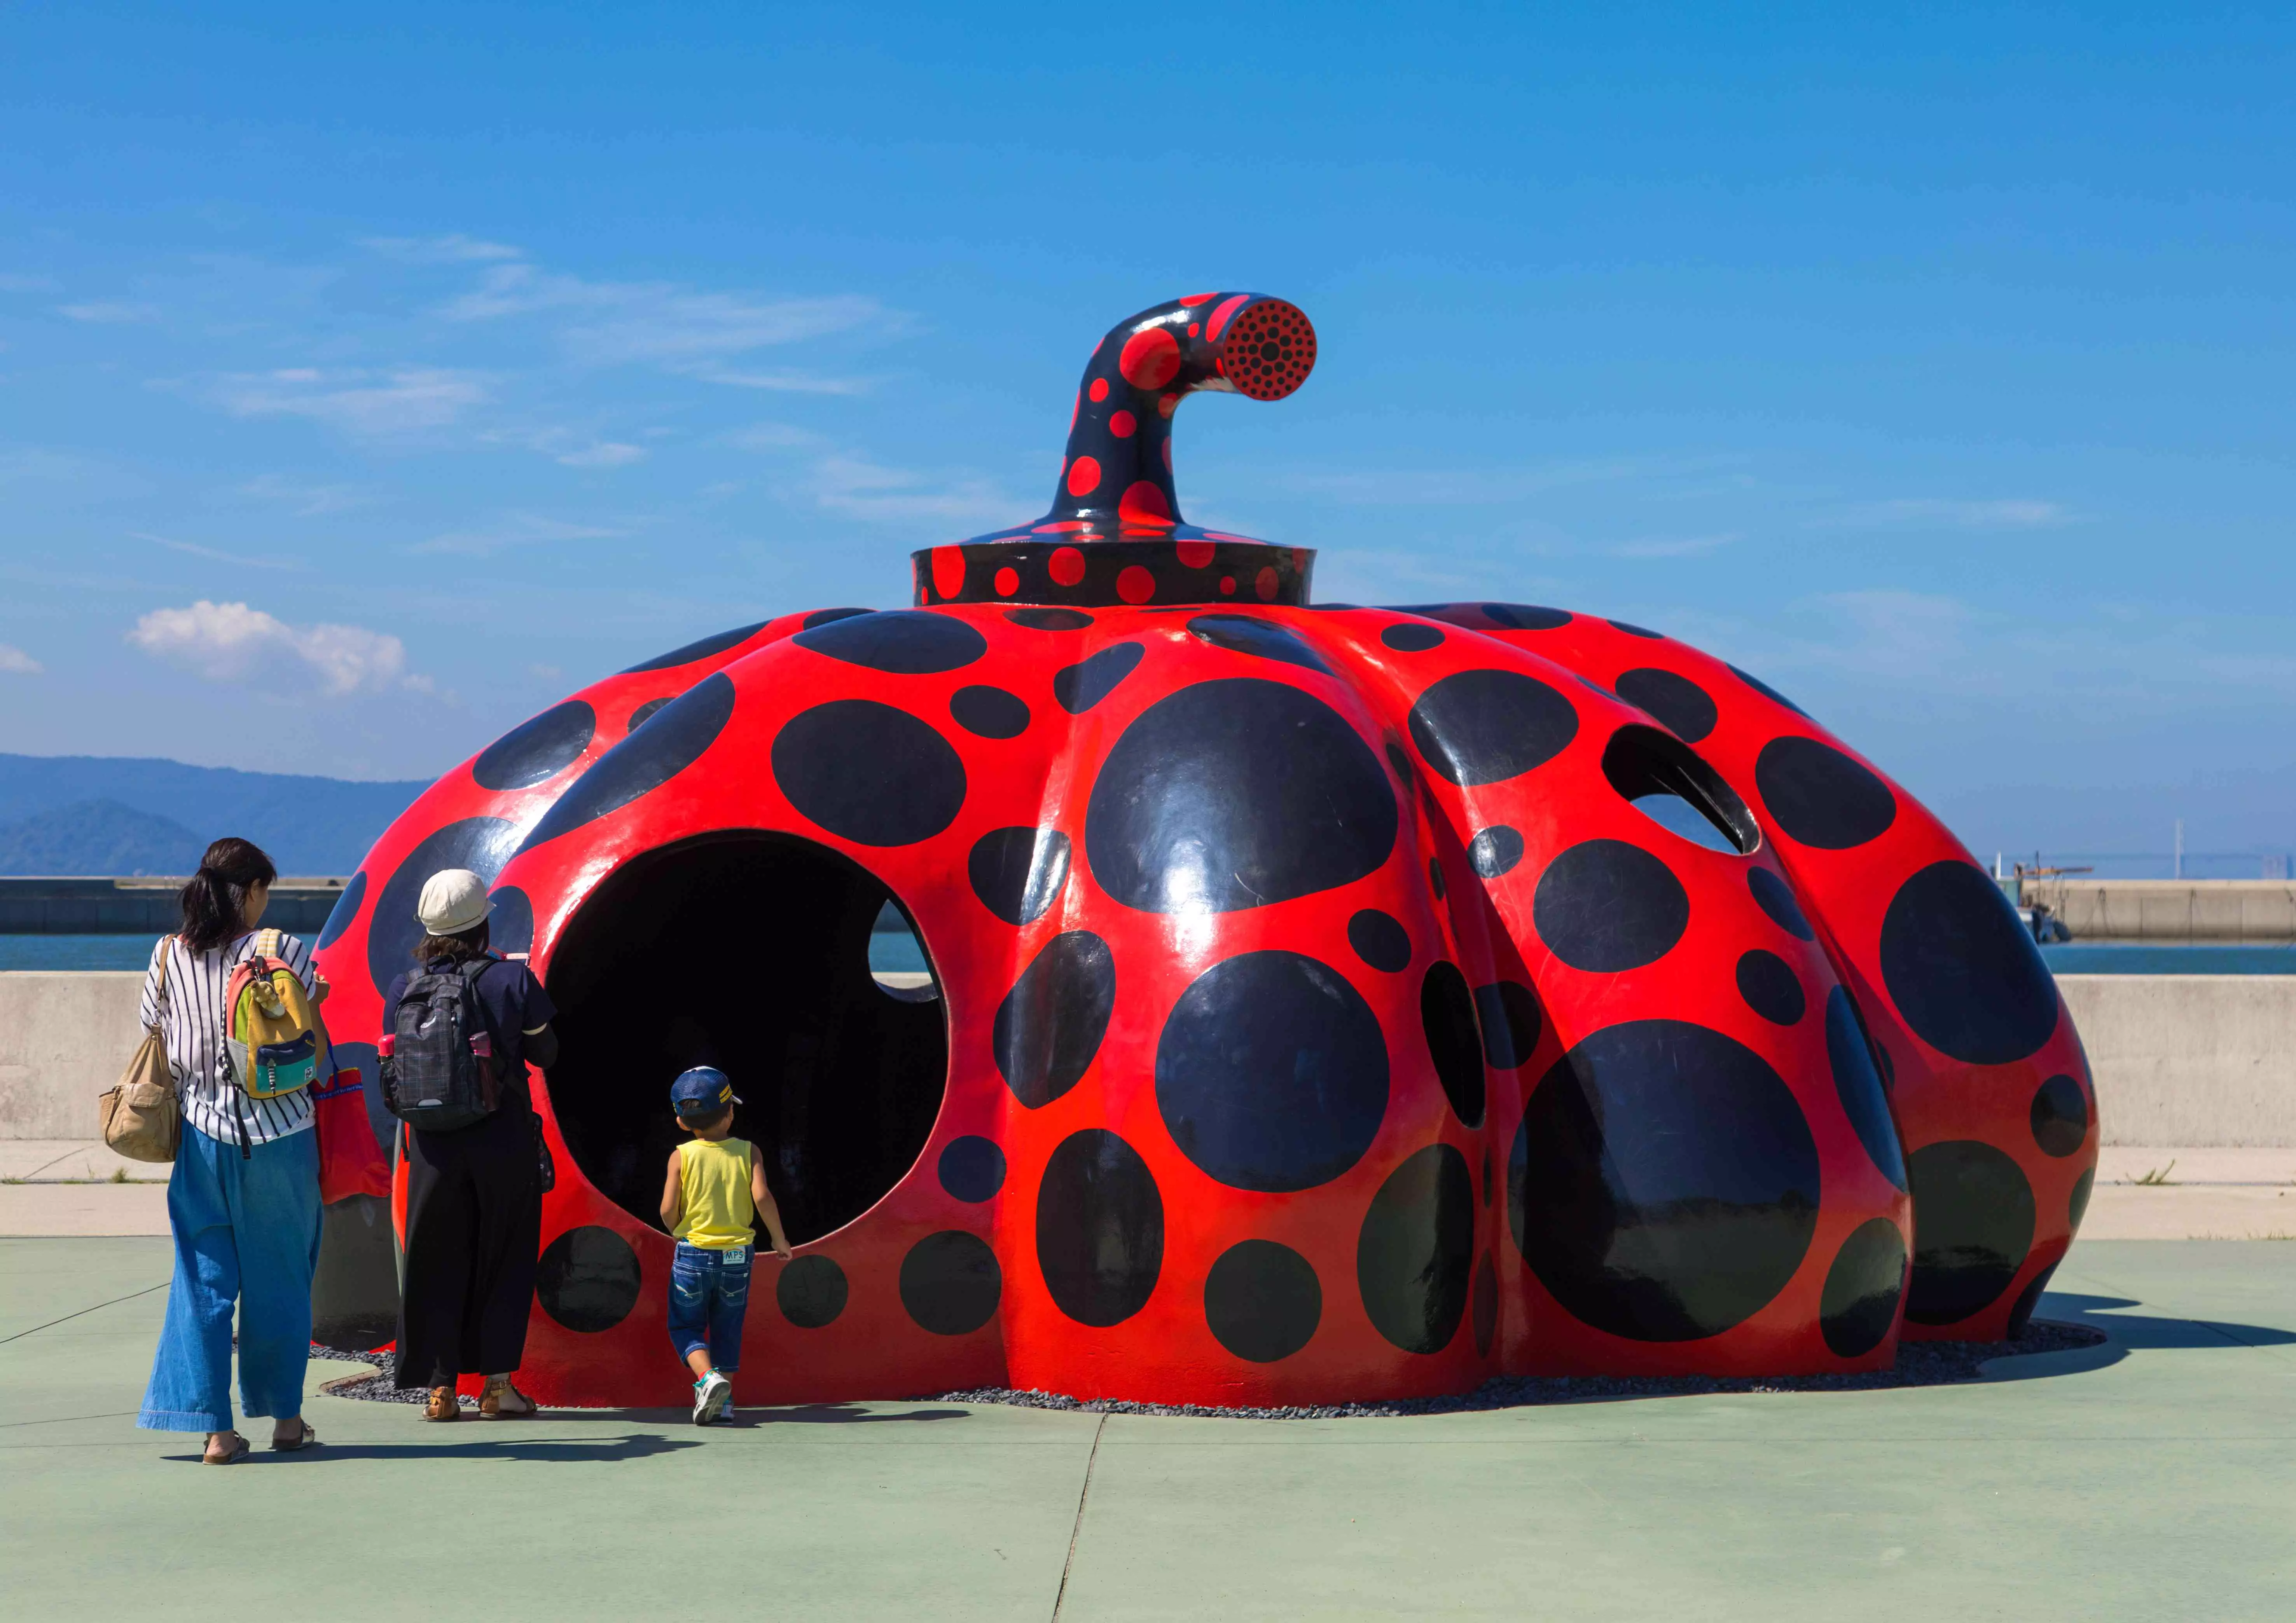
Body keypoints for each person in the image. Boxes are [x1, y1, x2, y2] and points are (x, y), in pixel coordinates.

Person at [137, 837, 329, 1463]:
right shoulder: (285, 952)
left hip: (200, 1138)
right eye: (265, 890)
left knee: (201, 1282)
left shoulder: (166, 956)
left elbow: (155, 1035)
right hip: (279, 1137)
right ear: (249, 892)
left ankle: (216, 1431)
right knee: (282, 1279)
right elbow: (313, 1049)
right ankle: (287, 1420)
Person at [382, 868, 560, 1421]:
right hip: (500, 1138)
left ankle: (439, 1390)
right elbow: (546, 1054)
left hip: (431, 1145)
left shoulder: (403, 987)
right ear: (483, 921)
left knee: (436, 1258)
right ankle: (497, 1388)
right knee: (502, 1258)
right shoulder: (512, 981)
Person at [658, 1067, 793, 1425]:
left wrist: (678, 1231)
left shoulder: (681, 1156)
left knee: (685, 1326)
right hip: (737, 1257)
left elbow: (668, 1209)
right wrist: (778, 1239)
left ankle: (707, 1379)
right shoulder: (749, 1152)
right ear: (730, 1113)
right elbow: (763, 1197)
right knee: (727, 1327)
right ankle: (725, 1404)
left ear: (682, 1123)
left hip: (694, 1254)